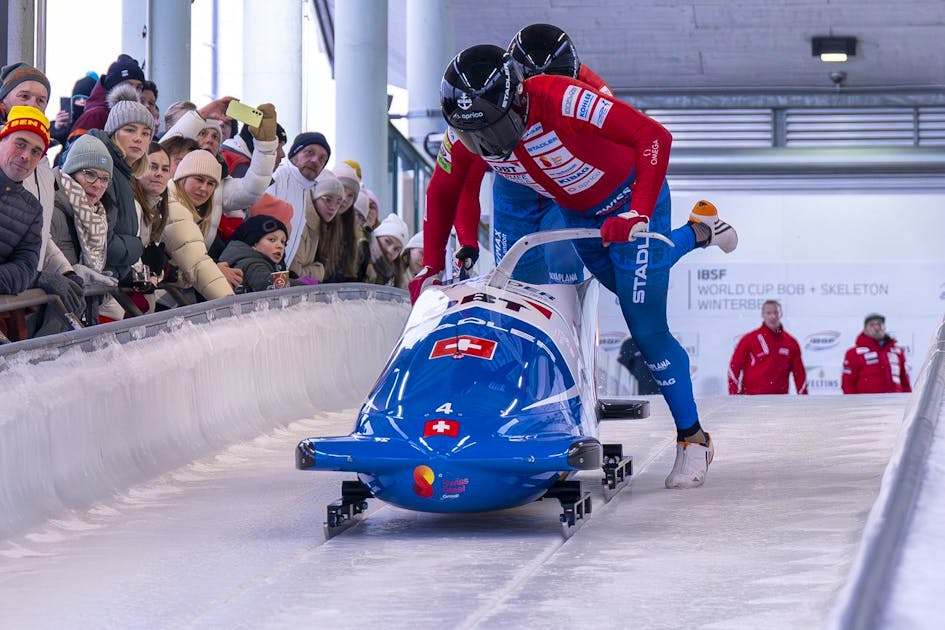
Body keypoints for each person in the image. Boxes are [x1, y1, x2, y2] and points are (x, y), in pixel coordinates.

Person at [418, 44, 739, 489]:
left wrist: (638, 212)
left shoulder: (566, 96)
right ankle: (524, 421)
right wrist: (430, 265)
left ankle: (693, 438)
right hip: (573, 207)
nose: (486, 146)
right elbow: (444, 191)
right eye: (477, 137)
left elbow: (653, 138)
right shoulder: (468, 126)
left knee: (644, 325)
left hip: (626, 204)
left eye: (495, 131)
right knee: (524, 306)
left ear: (518, 102)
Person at [428, 24, 614, 284]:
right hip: (513, 199)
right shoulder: (480, 106)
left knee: (563, 257)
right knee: (517, 279)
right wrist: (467, 240)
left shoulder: (595, 97)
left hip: (562, 194)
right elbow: (462, 184)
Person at [0, 106, 50, 296]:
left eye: (36, 152)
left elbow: (25, 268)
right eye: (20, 144)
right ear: (2, 139)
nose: (26, 156)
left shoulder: (33, 209)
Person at [266, 131, 332, 265]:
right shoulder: (280, 177)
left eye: (321, 159)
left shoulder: (305, 189)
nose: (315, 161)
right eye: (309, 152)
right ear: (294, 153)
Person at [728, 300, 808, 395]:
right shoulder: (749, 340)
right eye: (769, 313)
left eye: (776, 312)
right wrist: (734, 395)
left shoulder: (790, 342)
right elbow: (734, 367)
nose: (772, 316)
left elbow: (799, 374)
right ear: (763, 315)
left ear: (780, 314)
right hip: (751, 399)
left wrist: (804, 397)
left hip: (779, 400)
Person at [219, 214, 292, 293]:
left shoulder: (268, 264)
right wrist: (302, 283)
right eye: (272, 239)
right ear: (254, 243)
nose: (280, 246)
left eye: (283, 242)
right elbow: (267, 283)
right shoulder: (251, 262)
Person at [842, 313, 912, 394]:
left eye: (879, 324)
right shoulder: (854, 353)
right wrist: (853, 403)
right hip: (866, 403)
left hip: (894, 401)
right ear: (865, 329)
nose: (876, 328)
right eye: (872, 325)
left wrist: (908, 401)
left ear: (884, 327)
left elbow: (905, 381)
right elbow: (847, 383)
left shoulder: (897, 352)